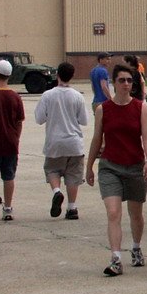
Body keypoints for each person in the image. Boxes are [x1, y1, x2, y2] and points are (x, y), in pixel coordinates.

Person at [85, 64, 147, 276]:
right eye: (122, 80)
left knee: (136, 213)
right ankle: (116, 258)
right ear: (113, 83)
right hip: (110, 167)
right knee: (113, 212)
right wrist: (89, 166)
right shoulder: (103, 109)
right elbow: (97, 139)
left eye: (129, 80)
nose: (126, 84)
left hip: (135, 166)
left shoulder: (140, 108)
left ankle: (136, 247)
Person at [35, 62, 88, 219]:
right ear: (72, 76)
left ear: (57, 75)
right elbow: (84, 120)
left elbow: (39, 118)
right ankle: (72, 208)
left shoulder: (48, 95)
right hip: (74, 142)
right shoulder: (77, 96)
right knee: (73, 176)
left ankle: (57, 191)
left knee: (52, 170)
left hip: (54, 142)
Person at [0, 60, 25, 222]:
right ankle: (8, 209)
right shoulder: (15, 96)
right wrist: (16, 138)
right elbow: (19, 121)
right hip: (11, 143)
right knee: (9, 176)